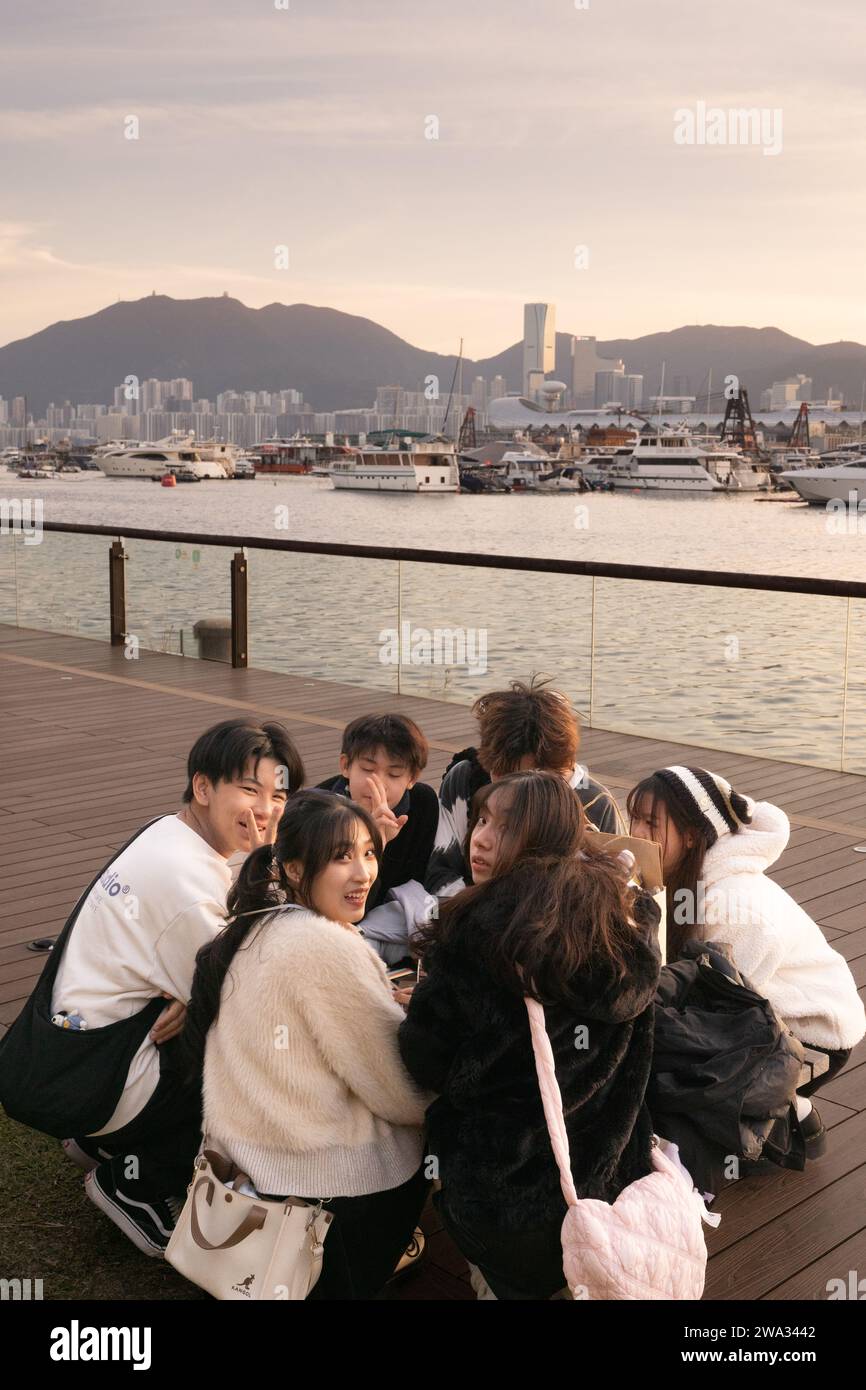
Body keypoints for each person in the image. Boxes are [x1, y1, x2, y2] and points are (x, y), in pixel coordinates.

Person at [400, 771, 661, 1300]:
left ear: (540, 839)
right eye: (483, 819)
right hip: (607, 1187)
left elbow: (426, 1060)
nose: (481, 837)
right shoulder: (621, 925)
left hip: (505, 1204)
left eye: (505, 826)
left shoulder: (477, 935)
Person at [53, 718, 305, 1254]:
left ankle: (106, 1142)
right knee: (267, 1057)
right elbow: (254, 1001)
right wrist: (204, 1002)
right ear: (203, 786)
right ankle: (136, 1183)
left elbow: (235, 935)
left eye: (278, 795)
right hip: (99, 1072)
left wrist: (195, 997)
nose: (266, 810)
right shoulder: (186, 884)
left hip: (82, 1042)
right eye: (250, 789)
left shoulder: (171, 831)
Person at [183, 790, 430, 1300]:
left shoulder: (254, 924)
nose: (363, 873)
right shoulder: (326, 946)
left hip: (245, 1158)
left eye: (368, 852)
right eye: (341, 857)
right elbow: (399, 1093)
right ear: (295, 869)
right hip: (316, 1178)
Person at [628, 765, 866, 1149]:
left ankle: (791, 1115)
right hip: (764, 1014)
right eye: (634, 818)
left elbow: (726, 1010)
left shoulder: (732, 905)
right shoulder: (686, 879)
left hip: (814, 1036)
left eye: (651, 823)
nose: (635, 833)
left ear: (691, 835)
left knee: (665, 1063)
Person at [425, 676, 620, 898]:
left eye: (524, 779)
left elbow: (608, 894)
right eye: (500, 775)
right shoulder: (466, 779)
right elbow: (440, 873)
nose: (510, 788)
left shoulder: (595, 803)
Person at [317, 714, 439, 964]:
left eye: (394, 774)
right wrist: (372, 844)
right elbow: (339, 911)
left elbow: (409, 886)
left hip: (389, 927)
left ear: (412, 779)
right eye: (368, 769)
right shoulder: (318, 811)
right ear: (345, 766)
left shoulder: (422, 803)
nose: (378, 783)